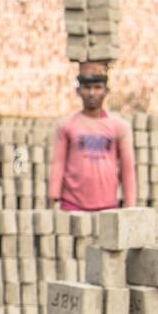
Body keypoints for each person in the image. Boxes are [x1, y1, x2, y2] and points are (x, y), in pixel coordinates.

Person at [48, 61, 136, 212]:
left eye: (97, 88)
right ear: (79, 91)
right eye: (87, 88)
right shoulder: (66, 125)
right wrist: (53, 197)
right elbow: (58, 163)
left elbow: (127, 169)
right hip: (72, 205)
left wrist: (130, 206)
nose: (92, 93)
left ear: (106, 91)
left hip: (107, 206)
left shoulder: (120, 127)